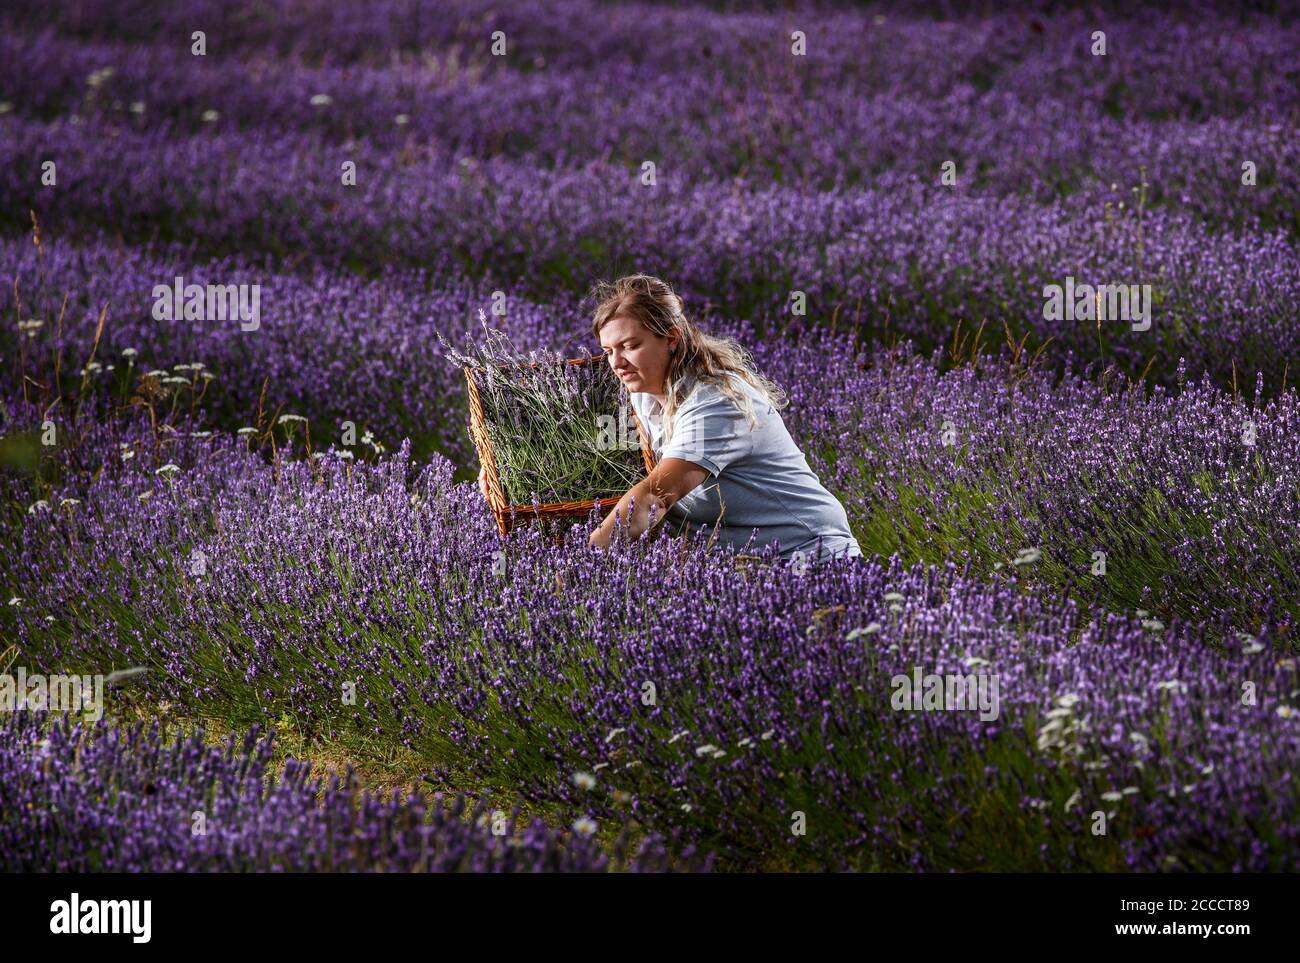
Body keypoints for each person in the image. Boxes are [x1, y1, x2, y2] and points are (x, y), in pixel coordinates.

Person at [577, 273, 862, 566]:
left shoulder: (715, 402)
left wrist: (584, 561)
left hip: (811, 558)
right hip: (739, 568)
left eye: (631, 345)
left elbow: (656, 498)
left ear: (671, 338)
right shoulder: (643, 391)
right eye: (608, 351)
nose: (616, 362)